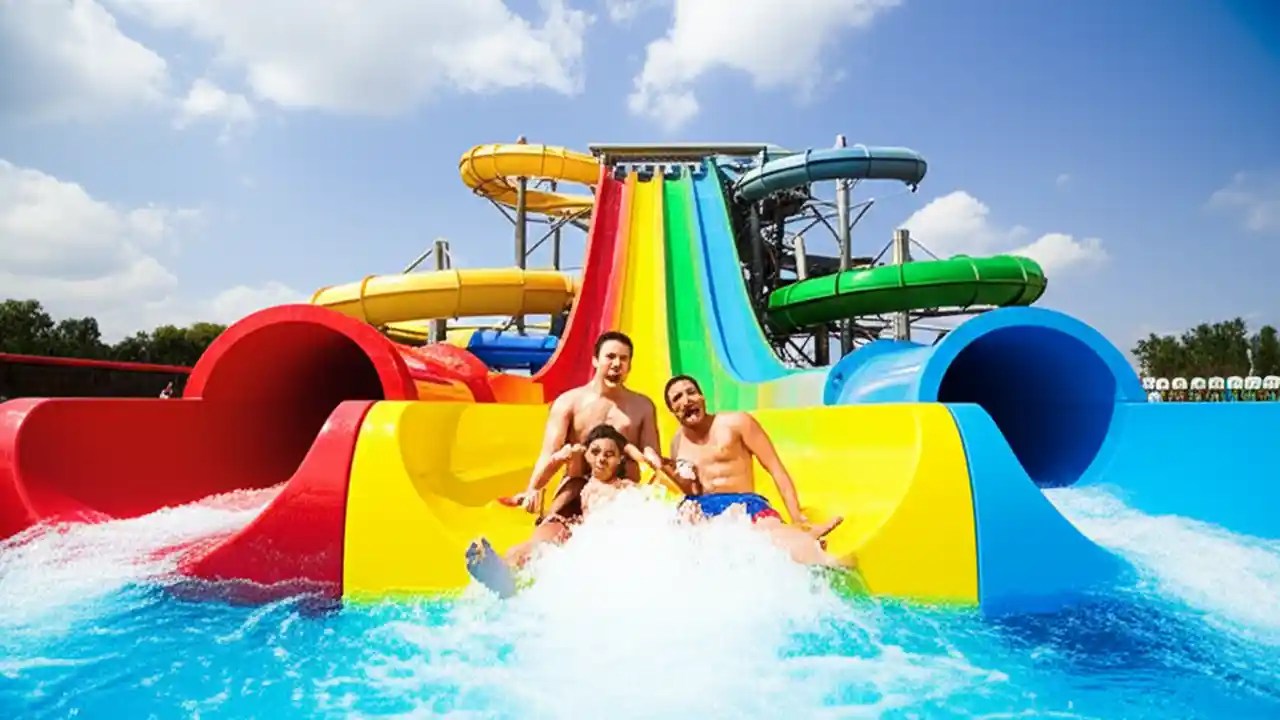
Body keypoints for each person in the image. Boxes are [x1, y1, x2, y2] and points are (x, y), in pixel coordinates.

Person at [662, 374, 847, 568]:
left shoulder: (736, 423)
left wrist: (796, 517)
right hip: (706, 509)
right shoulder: (677, 443)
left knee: (773, 538)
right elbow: (691, 490)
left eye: (691, 392)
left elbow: (775, 468)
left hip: (744, 504)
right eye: (677, 398)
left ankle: (825, 556)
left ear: (702, 397)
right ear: (672, 411)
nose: (686, 400)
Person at [466, 423, 639, 597]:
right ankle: (500, 571)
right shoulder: (579, 481)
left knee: (551, 546)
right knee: (533, 547)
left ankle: (506, 580)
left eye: (609, 455)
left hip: (599, 536)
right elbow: (545, 477)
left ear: (620, 459)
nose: (601, 459)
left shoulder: (625, 487)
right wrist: (558, 460)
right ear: (586, 454)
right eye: (595, 452)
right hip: (577, 530)